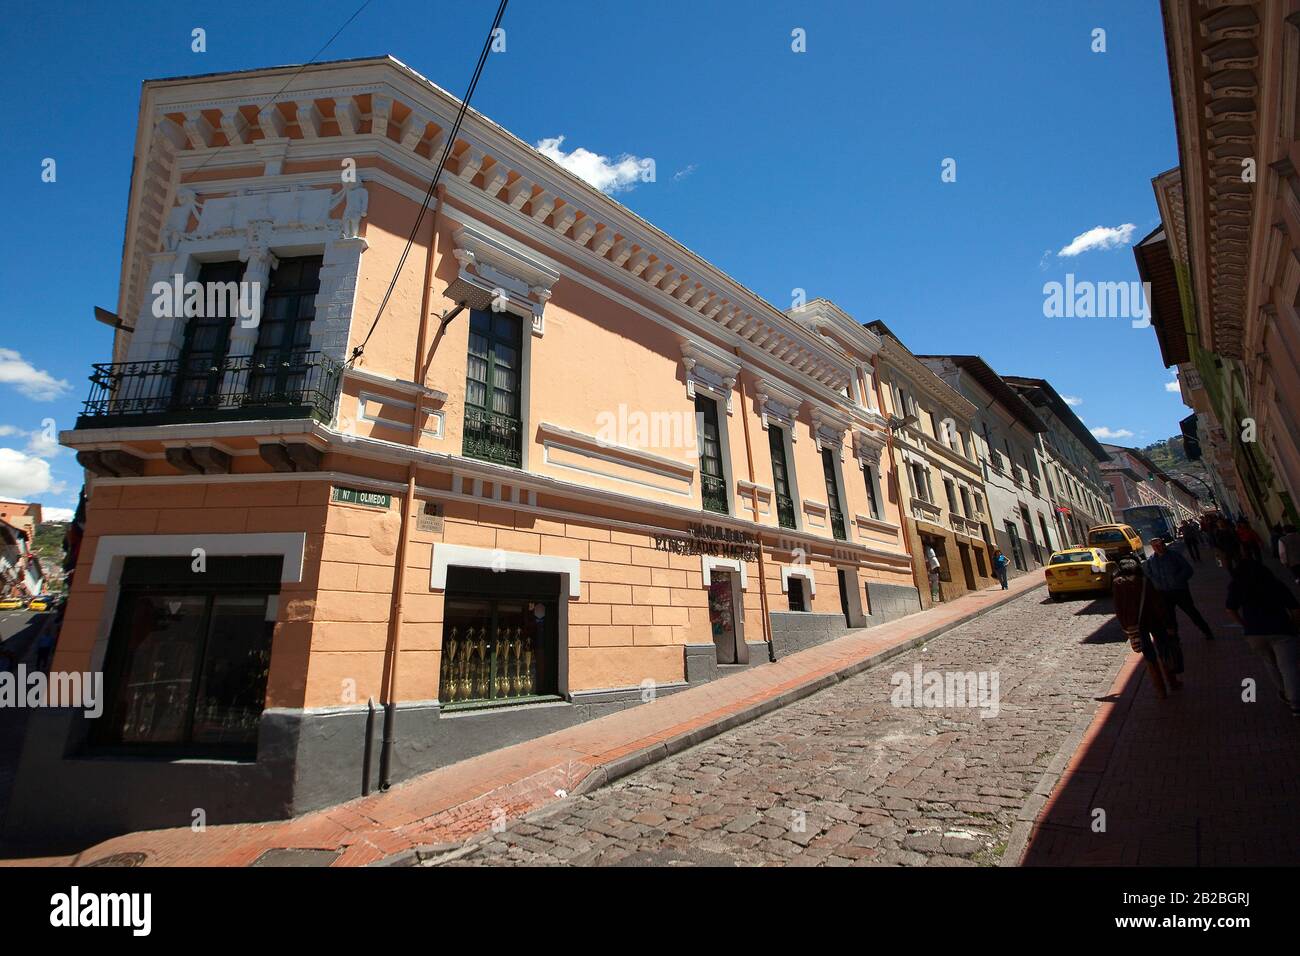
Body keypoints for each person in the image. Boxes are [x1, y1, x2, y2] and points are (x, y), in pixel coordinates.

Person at [1225, 555, 1300, 716]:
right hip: (1281, 629)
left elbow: (1230, 609)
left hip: (1255, 633)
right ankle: (1295, 702)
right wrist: (1294, 624)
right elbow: (1295, 609)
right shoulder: (1275, 584)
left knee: (1270, 664)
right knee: (1288, 667)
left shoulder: (1237, 586)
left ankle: (1284, 693)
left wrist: (1244, 624)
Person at [1112, 556, 1182, 697]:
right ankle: (1172, 681)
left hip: (1135, 625)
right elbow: (1157, 603)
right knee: (1164, 651)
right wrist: (1167, 622)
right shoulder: (1143, 581)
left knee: (1149, 655)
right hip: (1154, 620)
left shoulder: (1117, 584)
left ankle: (1160, 690)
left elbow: (1118, 608)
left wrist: (1126, 626)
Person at [1145, 536, 1215, 641]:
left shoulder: (1174, 556)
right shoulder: (1151, 560)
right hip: (1164, 593)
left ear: (1163, 545)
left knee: (1192, 612)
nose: (1157, 548)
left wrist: (1177, 580)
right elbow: (1149, 575)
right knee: (1169, 618)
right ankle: (1174, 639)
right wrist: (1156, 584)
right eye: (1154, 546)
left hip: (1180, 591)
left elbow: (1188, 570)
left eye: (1159, 545)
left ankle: (1207, 631)